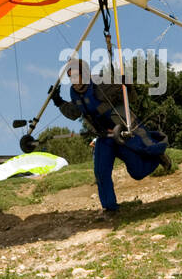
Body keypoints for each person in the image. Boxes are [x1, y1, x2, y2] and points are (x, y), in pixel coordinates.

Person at [53, 59, 170, 217]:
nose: (73, 80)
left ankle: (159, 156)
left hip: (122, 132)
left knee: (138, 171)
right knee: (101, 171)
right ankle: (110, 208)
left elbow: (130, 97)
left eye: (75, 75)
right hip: (104, 136)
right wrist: (59, 102)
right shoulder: (74, 93)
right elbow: (75, 113)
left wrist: (126, 85)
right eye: (70, 76)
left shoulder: (100, 83)